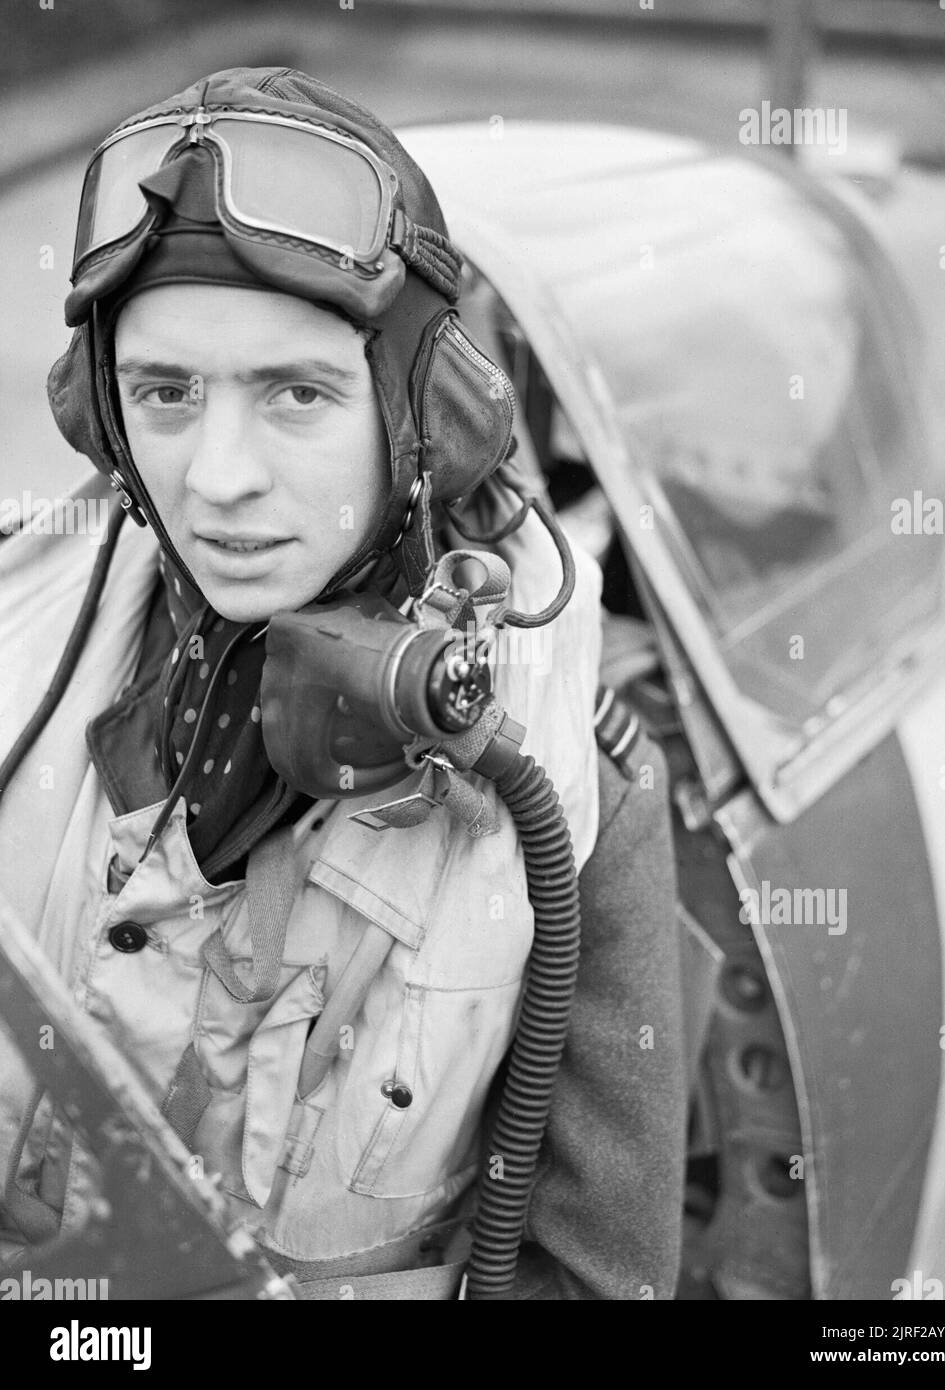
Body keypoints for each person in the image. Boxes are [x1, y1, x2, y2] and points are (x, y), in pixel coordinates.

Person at [0, 67, 684, 1298]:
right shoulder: (19, 635)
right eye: (164, 392)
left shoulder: (578, 782)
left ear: (421, 409)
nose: (214, 479)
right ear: (101, 411)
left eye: (297, 394)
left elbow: (592, 1273)